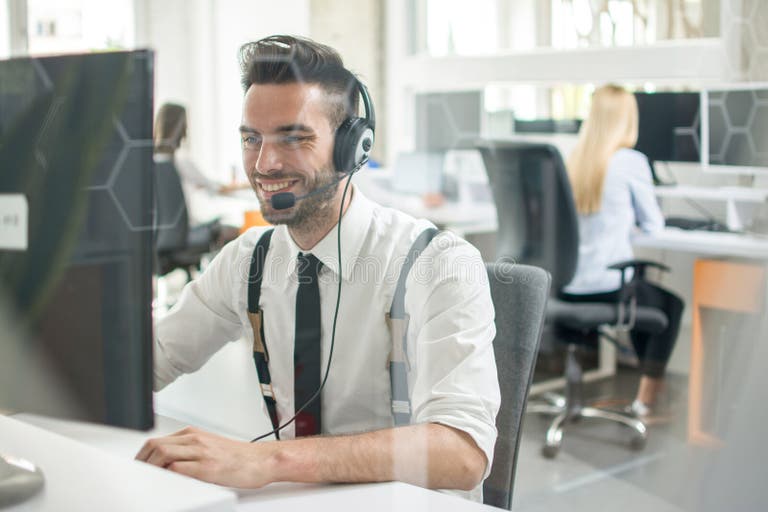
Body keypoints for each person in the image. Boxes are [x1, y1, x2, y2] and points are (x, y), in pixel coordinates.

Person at [137, 35, 500, 502]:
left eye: (294, 137)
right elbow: (150, 361)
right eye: (252, 139)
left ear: (352, 147)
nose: (265, 164)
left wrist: (271, 460)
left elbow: (463, 452)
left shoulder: (439, 263)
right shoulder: (249, 260)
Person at [562, 84, 685, 419]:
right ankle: (648, 400)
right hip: (606, 288)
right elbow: (654, 225)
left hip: (568, 288)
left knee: (641, 293)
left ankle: (647, 397)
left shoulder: (574, 160)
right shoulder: (630, 161)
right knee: (669, 305)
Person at [154, 102, 247, 247]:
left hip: (162, 237)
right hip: (187, 233)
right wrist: (247, 186)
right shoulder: (180, 161)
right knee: (239, 232)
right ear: (180, 128)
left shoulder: (154, 162)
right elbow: (217, 189)